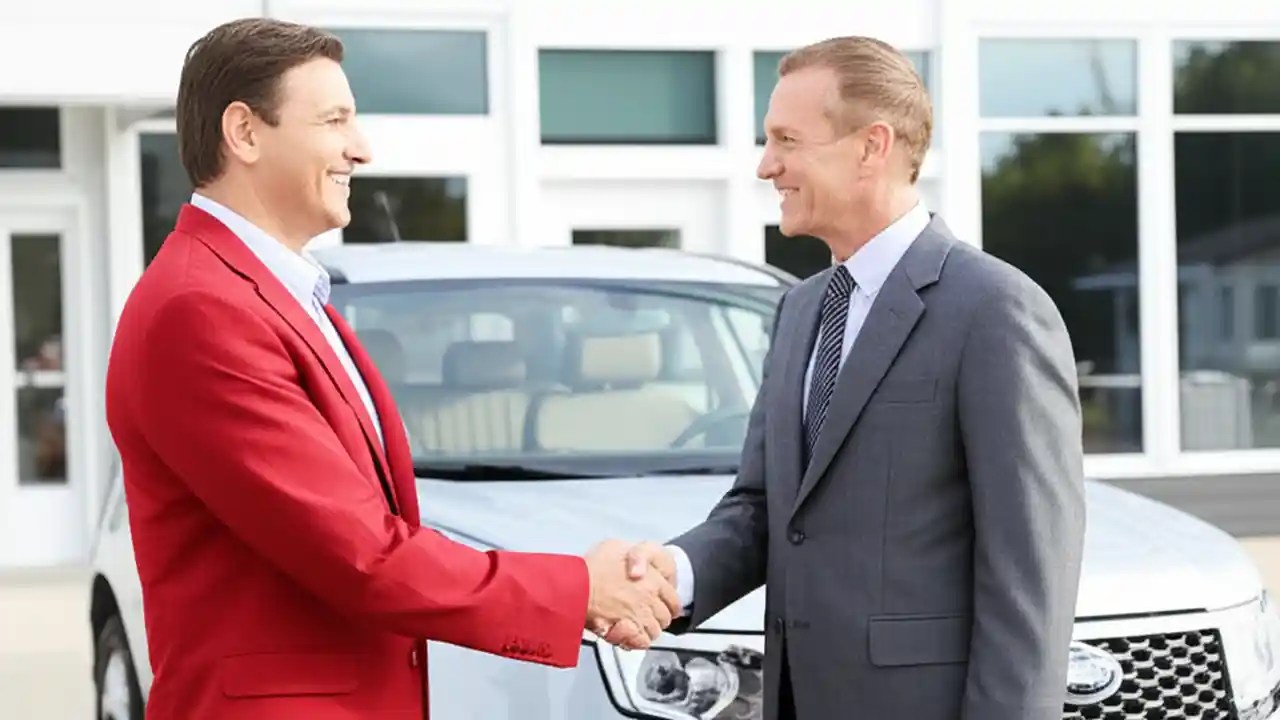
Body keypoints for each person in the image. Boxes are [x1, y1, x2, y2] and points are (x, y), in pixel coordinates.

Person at [104, 18, 677, 720]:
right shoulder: (201, 309)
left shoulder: (277, 292)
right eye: (335, 120)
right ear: (245, 133)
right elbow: (359, 555)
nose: (362, 148)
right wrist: (577, 589)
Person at [615, 36, 1086, 720]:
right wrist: (672, 576)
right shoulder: (801, 310)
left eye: (786, 140)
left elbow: (1031, 579)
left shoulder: (996, 311)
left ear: (871, 146)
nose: (765, 165)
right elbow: (764, 510)